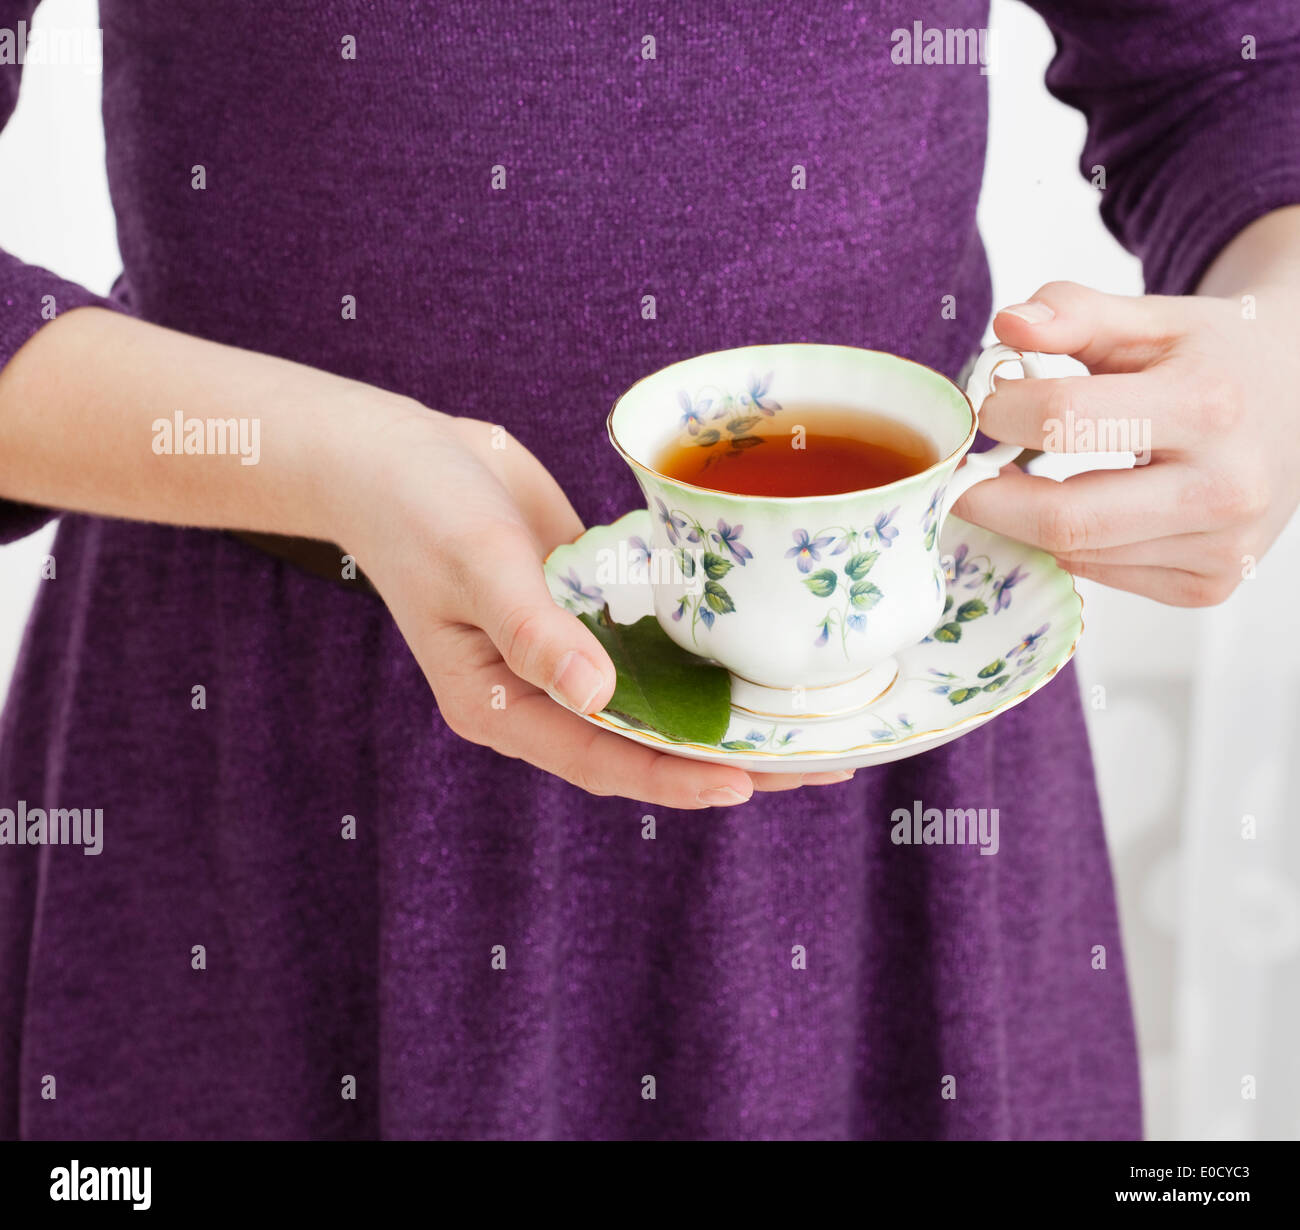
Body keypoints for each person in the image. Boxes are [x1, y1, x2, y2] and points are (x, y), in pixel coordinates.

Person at [0, 2, 1295, 1140]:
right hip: (261, 790)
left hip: (884, 783)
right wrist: (327, 459)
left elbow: (1235, 69)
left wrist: (1275, 350)